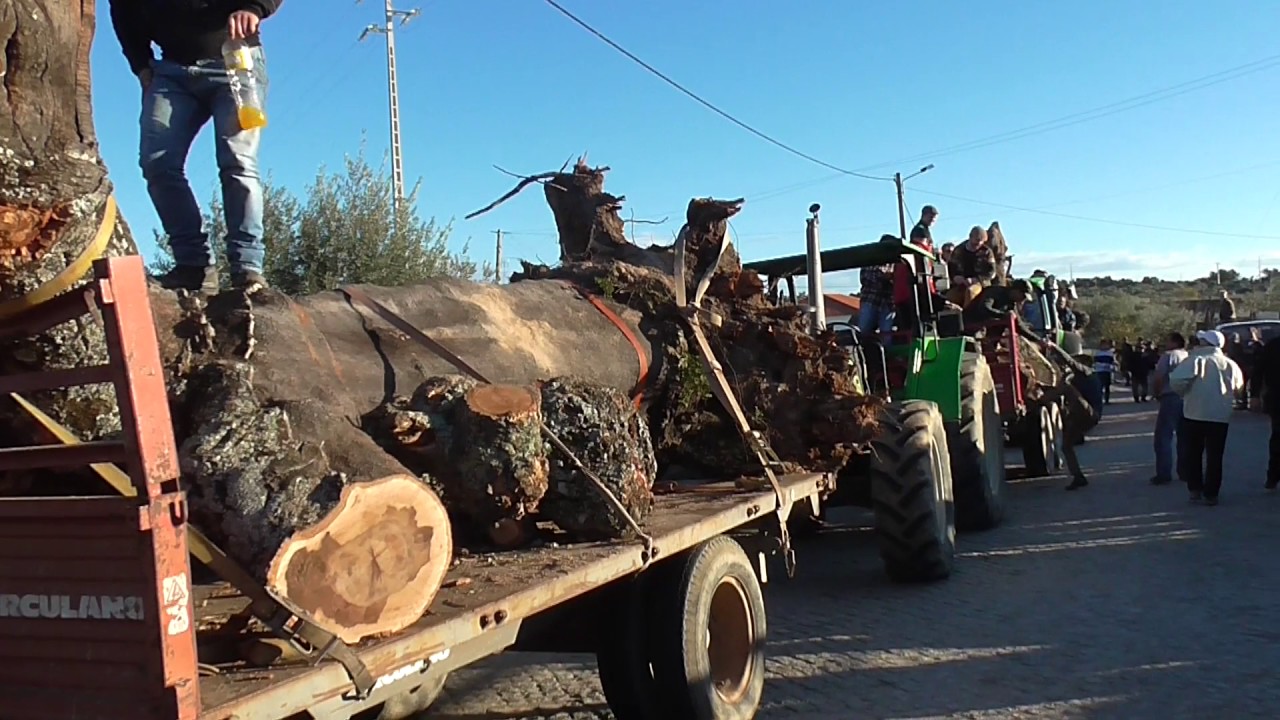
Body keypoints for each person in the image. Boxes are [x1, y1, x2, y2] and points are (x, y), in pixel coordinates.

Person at [108, 0, 281, 293]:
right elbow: (123, 12)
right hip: (171, 72)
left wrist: (253, 7)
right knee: (157, 162)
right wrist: (140, 64)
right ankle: (193, 266)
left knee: (237, 161)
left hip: (236, 60)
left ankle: (248, 267)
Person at [1168, 330, 1244, 505]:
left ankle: (1195, 489)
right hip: (1219, 416)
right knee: (1215, 456)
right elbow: (1239, 387)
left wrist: (1184, 394)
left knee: (1193, 453)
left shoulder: (1195, 360)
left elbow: (1177, 381)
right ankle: (1212, 493)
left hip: (1194, 414)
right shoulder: (1230, 364)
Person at [1150, 332, 1189, 486]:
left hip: (1170, 396)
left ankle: (1164, 472)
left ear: (1174, 342)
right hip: (1186, 398)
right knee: (1184, 436)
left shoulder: (1168, 356)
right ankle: (1185, 471)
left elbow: (1159, 376)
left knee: (1163, 437)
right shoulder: (1188, 356)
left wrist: (1156, 392)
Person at [948, 226, 998, 294]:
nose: (979, 243)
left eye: (982, 241)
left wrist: (977, 279)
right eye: (977, 240)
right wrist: (956, 277)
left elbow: (992, 272)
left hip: (980, 284)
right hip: (960, 284)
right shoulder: (958, 250)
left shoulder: (987, 252)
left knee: (970, 292)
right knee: (950, 297)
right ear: (970, 237)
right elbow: (951, 267)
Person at [857, 261, 895, 338]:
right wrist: (885, 277)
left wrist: (891, 277)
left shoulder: (895, 259)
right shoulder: (871, 257)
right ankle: (864, 348)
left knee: (887, 333)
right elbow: (864, 277)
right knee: (863, 329)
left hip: (889, 302)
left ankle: (885, 349)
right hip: (870, 299)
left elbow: (899, 278)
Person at [1261, 333, 1280, 490]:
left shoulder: (1272, 345)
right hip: (1277, 397)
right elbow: (1260, 370)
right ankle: (1273, 475)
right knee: (1277, 438)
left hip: (1276, 397)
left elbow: (1259, 370)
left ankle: (1272, 476)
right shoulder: (1273, 346)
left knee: (1277, 438)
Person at [1093, 338, 1116, 404]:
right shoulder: (1097, 353)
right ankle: (1099, 399)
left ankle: (1106, 400)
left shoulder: (1110, 353)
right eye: (1103, 345)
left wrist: (1113, 367)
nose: (1104, 346)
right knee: (1099, 386)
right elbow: (1094, 362)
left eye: (1105, 345)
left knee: (1107, 386)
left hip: (1107, 371)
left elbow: (1112, 362)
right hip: (1099, 371)